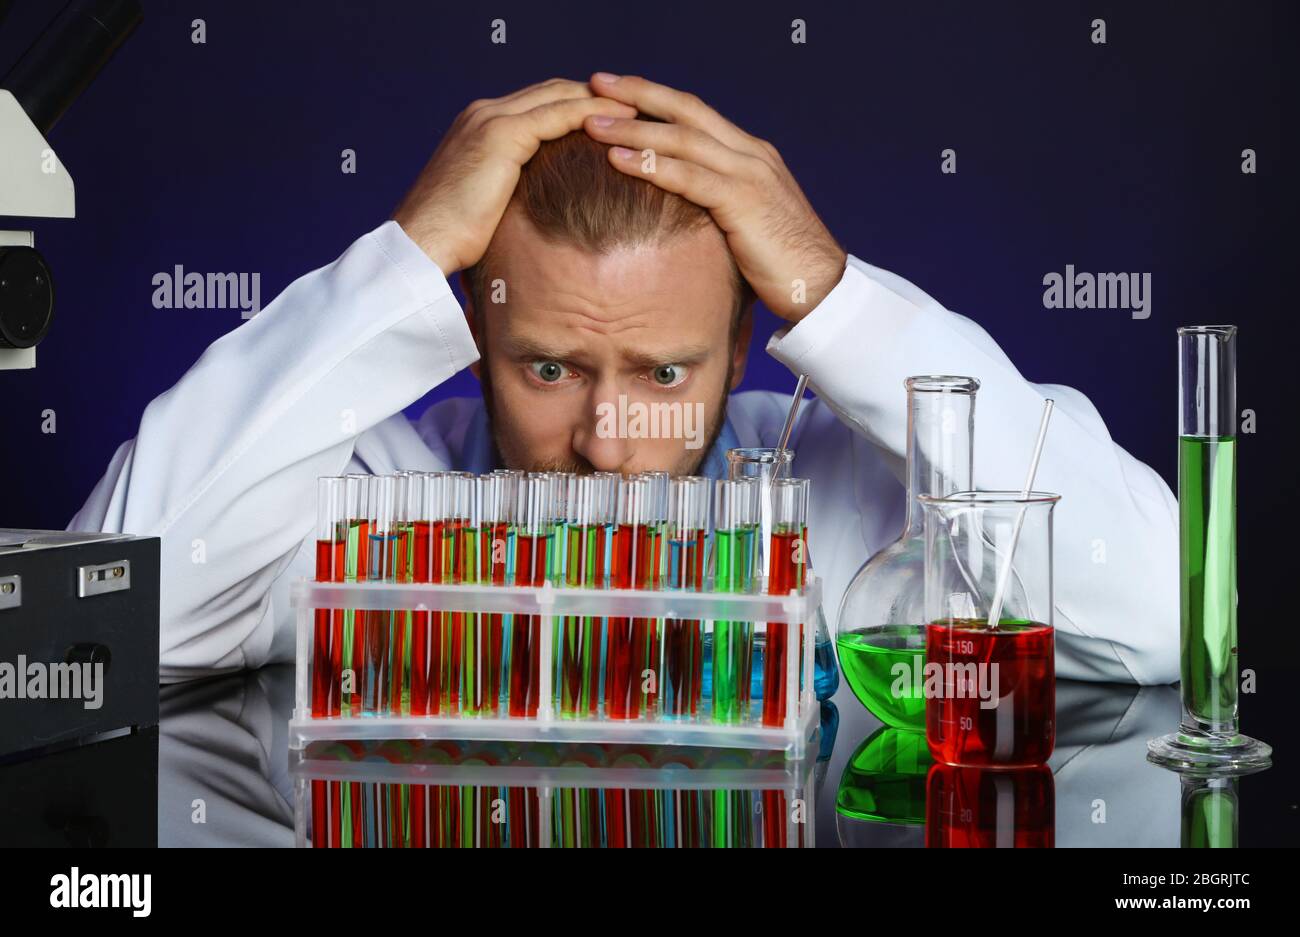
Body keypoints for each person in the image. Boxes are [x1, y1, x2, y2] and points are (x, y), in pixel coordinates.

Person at [71, 75, 1177, 685]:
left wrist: (838, 298)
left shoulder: (848, 510)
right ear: (469, 332)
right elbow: (107, 633)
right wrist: (398, 260)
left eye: (664, 369)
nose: (608, 442)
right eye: (548, 366)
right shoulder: (367, 504)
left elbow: (1160, 619)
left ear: (743, 352)